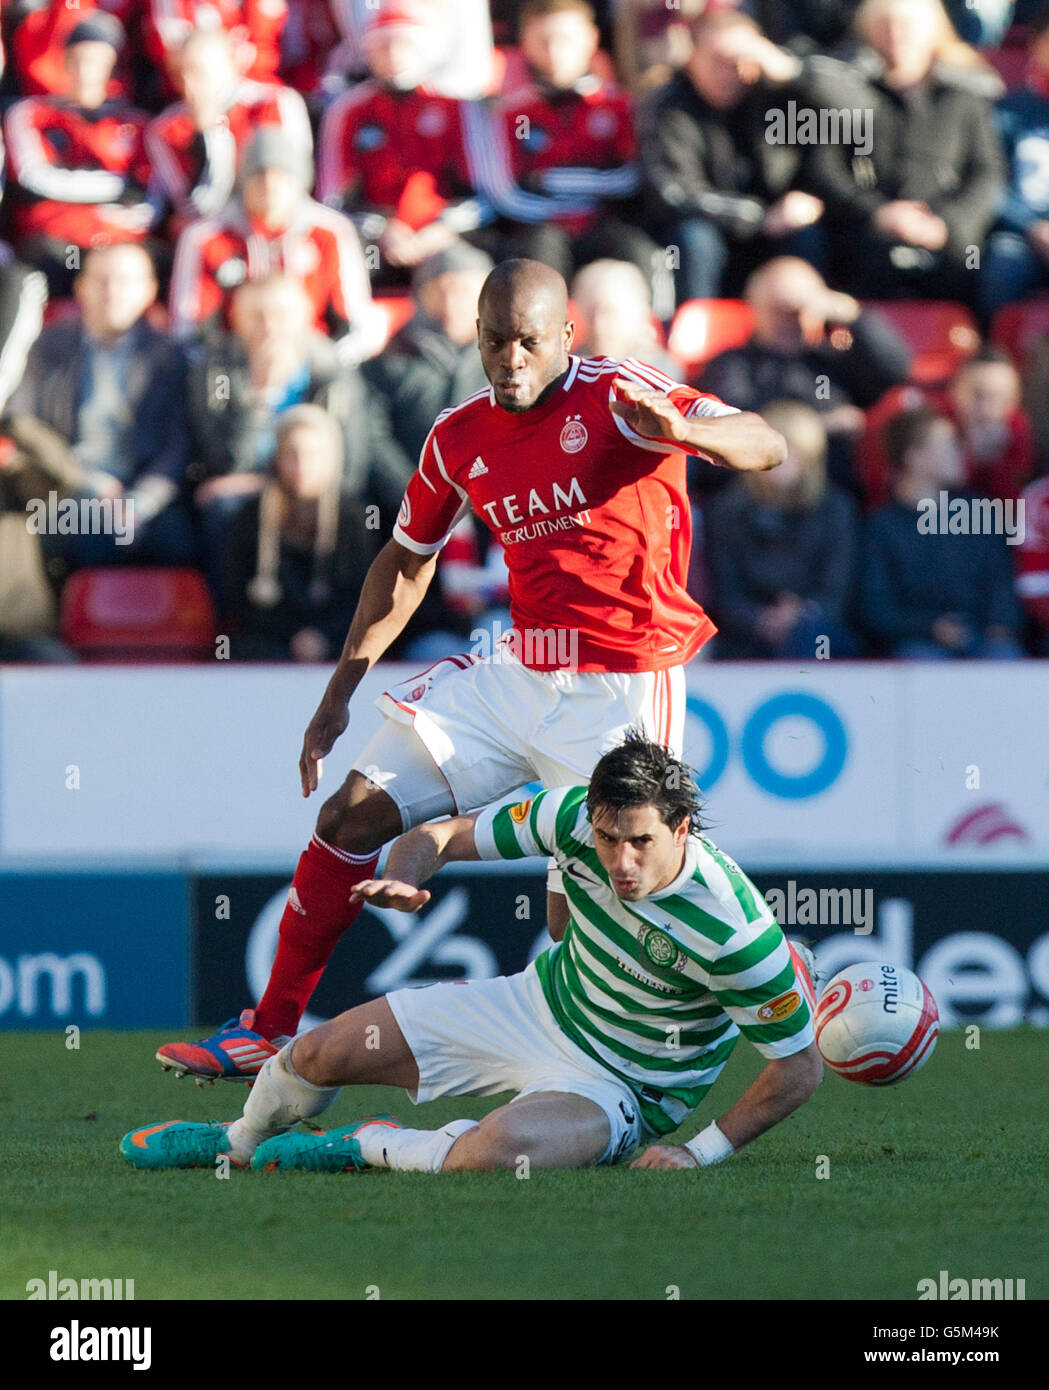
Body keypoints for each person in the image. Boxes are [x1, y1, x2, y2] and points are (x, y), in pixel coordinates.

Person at [151, 257, 786, 1082]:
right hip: (515, 671)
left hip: (619, 687)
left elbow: (764, 442)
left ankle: (764, 999)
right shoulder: (459, 435)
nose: (510, 359)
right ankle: (268, 1029)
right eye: (493, 342)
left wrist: (685, 430)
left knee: (593, 915)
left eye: (528, 341)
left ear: (566, 335)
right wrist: (340, 690)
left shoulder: (623, 396)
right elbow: (405, 561)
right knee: (349, 815)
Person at [123, 732, 823, 1173]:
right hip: (534, 1006)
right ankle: (237, 1143)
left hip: (622, 1088)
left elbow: (797, 1069)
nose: (620, 859)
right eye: (609, 839)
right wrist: (405, 873)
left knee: (495, 1155)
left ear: (681, 826)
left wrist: (697, 1154)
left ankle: (364, 1144)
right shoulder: (571, 815)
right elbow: (445, 834)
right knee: (315, 1055)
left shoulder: (734, 933)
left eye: (640, 841)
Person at [804, 0, 1004, 303]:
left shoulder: (965, 97)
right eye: (885, 26)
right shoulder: (847, 93)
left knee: (974, 260)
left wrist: (947, 224)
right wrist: (878, 213)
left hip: (953, 236)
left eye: (906, 27)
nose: (895, 35)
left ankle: (974, 342)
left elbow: (988, 174)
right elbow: (825, 170)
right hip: (867, 230)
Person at [9, 242, 193, 565]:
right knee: (89, 534)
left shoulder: (169, 357)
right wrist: (87, 480)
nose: (112, 292)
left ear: (149, 291)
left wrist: (140, 502)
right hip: (65, 485)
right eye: (102, 280)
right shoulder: (49, 345)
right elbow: (22, 421)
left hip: (144, 492)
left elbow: (178, 442)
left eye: (125, 282)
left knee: (180, 542)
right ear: (81, 288)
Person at [487, 0, 669, 316]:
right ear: (525, 43)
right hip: (541, 229)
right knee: (535, 260)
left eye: (566, 39)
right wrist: (584, 188)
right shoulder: (512, 114)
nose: (555, 50)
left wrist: (549, 180)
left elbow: (629, 177)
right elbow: (508, 192)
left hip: (604, 225)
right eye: (543, 39)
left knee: (642, 251)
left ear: (591, 39)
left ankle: (655, 339)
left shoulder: (619, 107)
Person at [638, 9, 825, 302]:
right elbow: (673, 192)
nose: (730, 72)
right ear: (692, 57)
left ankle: (807, 336)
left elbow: (855, 115)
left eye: (739, 60)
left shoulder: (777, 98)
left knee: (805, 231)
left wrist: (793, 72)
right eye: (717, 60)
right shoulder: (665, 106)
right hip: (707, 233)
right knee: (694, 238)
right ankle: (695, 336)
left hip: (772, 232)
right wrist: (760, 218)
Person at [170, 126, 382, 364]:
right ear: (242, 182)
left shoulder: (331, 232)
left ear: (299, 181)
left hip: (312, 361)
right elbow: (189, 331)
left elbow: (355, 326)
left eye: (281, 174)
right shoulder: (205, 237)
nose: (269, 184)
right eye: (258, 174)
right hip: (235, 364)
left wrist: (319, 369)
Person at [699, 257, 912, 492]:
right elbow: (731, 431)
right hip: (757, 499)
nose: (792, 319)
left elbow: (896, 370)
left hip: (833, 495)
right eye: (780, 309)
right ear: (756, 307)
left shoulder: (831, 360)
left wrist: (848, 311)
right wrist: (823, 426)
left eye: (800, 309)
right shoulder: (732, 365)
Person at [316, 3, 489, 281]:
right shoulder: (347, 112)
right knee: (348, 263)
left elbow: (486, 195)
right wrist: (382, 228)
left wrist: (443, 228)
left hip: (441, 237)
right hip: (374, 241)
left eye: (404, 44)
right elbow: (332, 202)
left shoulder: (457, 109)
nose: (394, 55)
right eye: (383, 46)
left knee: (462, 271)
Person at [3, 13, 159, 296]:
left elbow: (150, 200)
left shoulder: (138, 125)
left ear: (113, 68)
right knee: (64, 265)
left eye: (98, 62)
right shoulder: (32, 114)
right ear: (64, 62)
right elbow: (34, 177)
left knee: (151, 265)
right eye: (78, 59)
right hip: (63, 241)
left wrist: (81, 194)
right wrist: (118, 187)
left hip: (119, 242)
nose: (87, 71)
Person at [859, 406, 1024, 657]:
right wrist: (931, 627)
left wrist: (1000, 626)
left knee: (1004, 656)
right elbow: (876, 608)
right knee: (920, 660)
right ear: (915, 457)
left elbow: (1001, 582)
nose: (961, 452)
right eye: (949, 445)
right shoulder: (882, 527)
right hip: (916, 644)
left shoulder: (979, 511)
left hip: (982, 638)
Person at [221, 406, 380, 663]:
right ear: (277, 457)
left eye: (312, 454)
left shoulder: (352, 517)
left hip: (337, 639)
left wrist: (323, 634)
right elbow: (237, 593)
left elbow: (362, 595)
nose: (302, 465)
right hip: (271, 641)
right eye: (291, 454)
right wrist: (291, 635)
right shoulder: (252, 516)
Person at [705, 400, 860, 659]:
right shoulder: (727, 510)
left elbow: (837, 590)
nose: (781, 460)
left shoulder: (836, 509)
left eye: (793, 451)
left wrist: (801, 612)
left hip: (818, 631)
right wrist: (761, 619)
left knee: (809, 639)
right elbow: (726, 593)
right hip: (745, 634)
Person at [146, 27, 311, 235]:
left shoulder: (275, 102)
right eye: (179, 73)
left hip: (280, 218)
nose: (188, 84)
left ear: (228, 64)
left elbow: (294, 181)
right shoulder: (167, 128)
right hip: (218, 230)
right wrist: (210, 136)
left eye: (197, 71)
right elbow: (197, 209)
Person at [980, 10, 1049, 322]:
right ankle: (993, 359)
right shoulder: (1007, 113)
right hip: (1021, 236)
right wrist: (1032, 227)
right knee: (1001, 265)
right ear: (1037, 46)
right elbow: (988, 183)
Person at [570, 259, 682, 378]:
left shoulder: (658, 374)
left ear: (638, 314)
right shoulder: (570, 369)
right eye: (590, 314)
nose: (599, 326)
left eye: (609, 312)